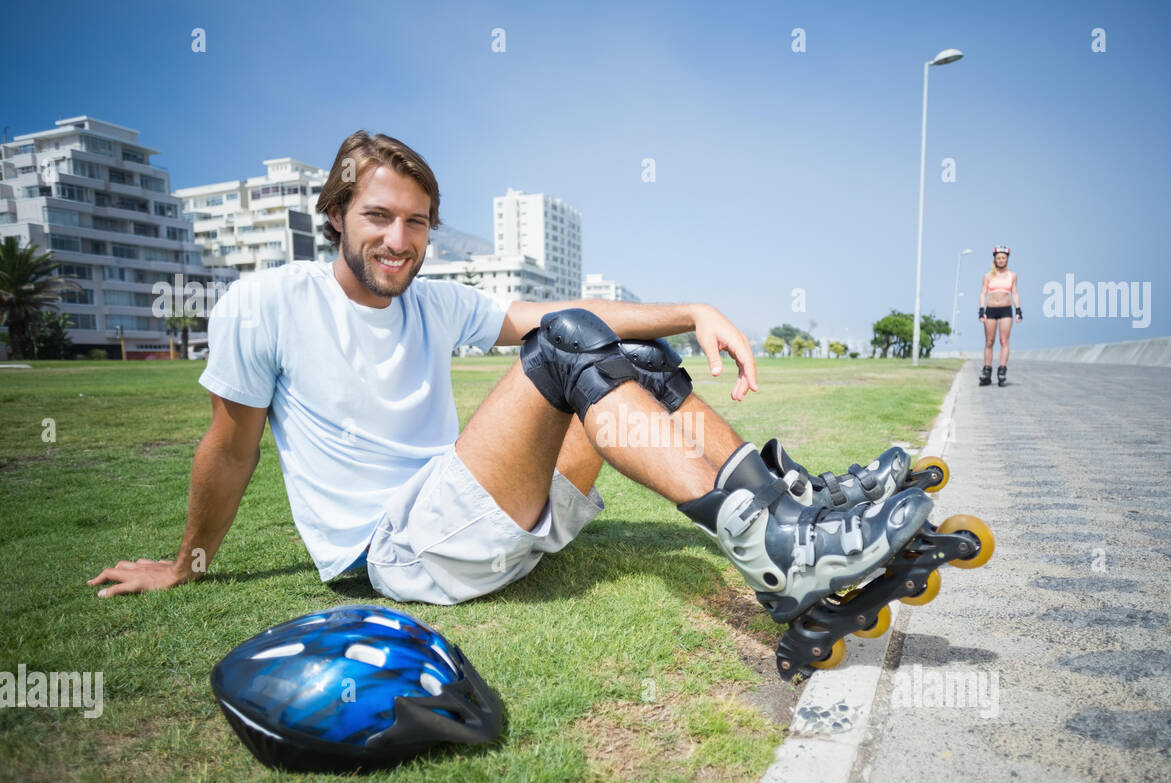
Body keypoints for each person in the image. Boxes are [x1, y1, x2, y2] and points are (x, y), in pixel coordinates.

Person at [87, 130, 936, 653]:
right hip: (399, 551)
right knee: (566, 345)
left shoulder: (432, 301)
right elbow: (229, 449)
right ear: (336, 214)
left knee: (627, 353)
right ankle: (777, 553)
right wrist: (185, 563)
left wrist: (692, 310)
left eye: (416, 221)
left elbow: (572, 311)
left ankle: (797, 512)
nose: (399, 239)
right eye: (378, 216)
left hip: (485, 520)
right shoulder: (266, 304)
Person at [977, 245, 1021, 386]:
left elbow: (1014, 293)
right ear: (995, 259)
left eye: (1003, 258)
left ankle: (1002, 372)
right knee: (989, 342)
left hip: (1006, 310)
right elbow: (983, 293)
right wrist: (981, 310)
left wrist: (1018, 310)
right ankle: (987, 373)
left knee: (1004, 341)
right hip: (990, 310)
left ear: (1007, 259)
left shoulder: (1012, 275)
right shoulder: (988, 276)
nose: (1001, 260)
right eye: (998, 258)